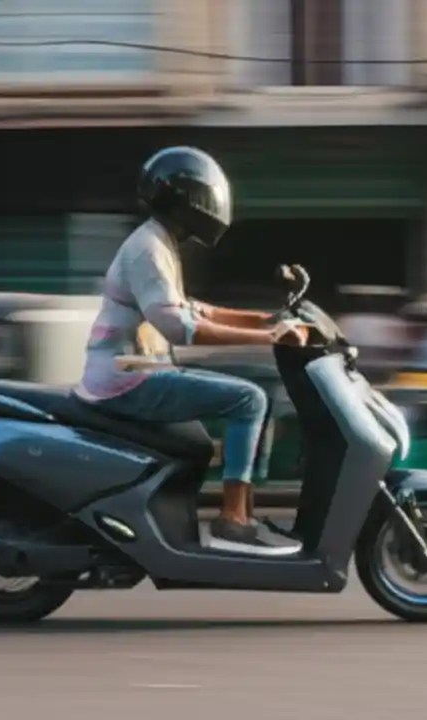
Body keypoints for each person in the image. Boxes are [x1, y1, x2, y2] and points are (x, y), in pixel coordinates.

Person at [74, 146, 307, 553]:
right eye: (204, 196)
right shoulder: (148, 249)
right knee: (248, 399)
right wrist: (269, 338)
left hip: (139, 371)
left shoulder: (158, 242)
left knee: (261, 385)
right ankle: (232, 519)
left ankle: (244, 513)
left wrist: (266, 321)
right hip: (127, 379)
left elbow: (196, 309)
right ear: (184, 200)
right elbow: (178, 327)